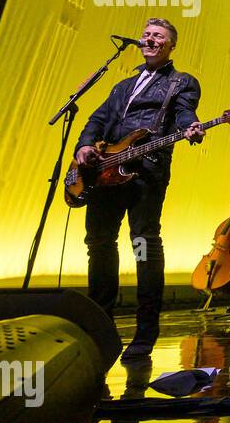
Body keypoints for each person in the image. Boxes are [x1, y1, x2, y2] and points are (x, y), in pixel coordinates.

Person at [74, 18, 204, 359]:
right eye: (146, 34)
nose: (149, 39)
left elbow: (184, 114)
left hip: (146, 171)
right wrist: (85, 146)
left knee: (144, 242)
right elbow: (97, 120)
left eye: (158, 36)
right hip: (105, 171)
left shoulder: (181, 82)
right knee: (99, 242)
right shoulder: (122, 86)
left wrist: (191, 127)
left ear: (171, 46)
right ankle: (101, 323)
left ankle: (145, 332)